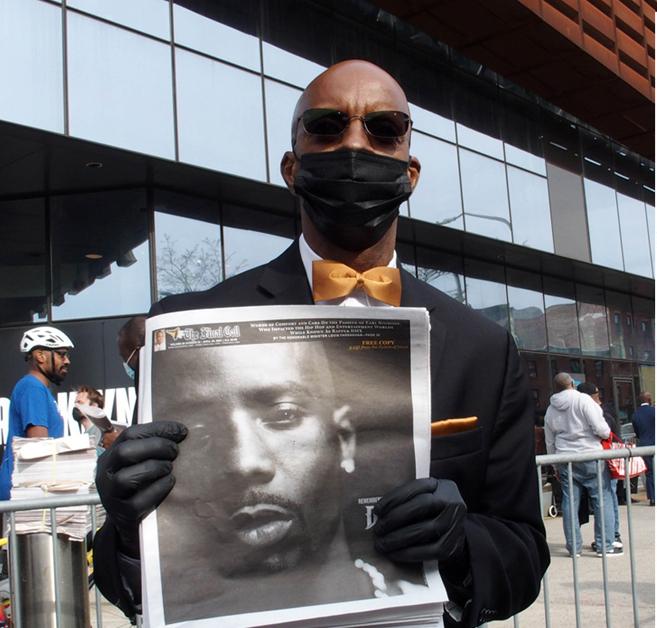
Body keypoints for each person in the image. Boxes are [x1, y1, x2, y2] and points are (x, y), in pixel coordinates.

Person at [92, 60, 549, 626]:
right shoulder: (190, 332)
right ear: (291, 166)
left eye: (383, 130)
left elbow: (524, 553)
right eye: (327, 126)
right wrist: (128, 528)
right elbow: (132, 586)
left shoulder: (482, 346)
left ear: (410, 171)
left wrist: (460, 546)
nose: (354, 144)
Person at [150, 340, 426, 621]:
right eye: (198, 431)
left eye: (284, 415)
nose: (244, 462)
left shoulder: (422, 609)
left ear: (343, 440)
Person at [544, 373, 618, 557]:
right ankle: (604, 545)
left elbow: (549, 441)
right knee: (602, 500)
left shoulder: (551, 409)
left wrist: (554, 463)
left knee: (570, 502)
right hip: (590, 454)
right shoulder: (584, 401)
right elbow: (601, 429)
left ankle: (574, 547)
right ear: (572, 383)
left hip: (564, 458)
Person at [1, 326, 74, 500]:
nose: (67, 361)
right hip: (24, 491)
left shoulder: (38, 388)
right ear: (40, 356)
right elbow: (39, 445)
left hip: (28, 488)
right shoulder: (32, 387)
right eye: (61, 354)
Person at [577, 381, 622, 551]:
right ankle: (611, 536)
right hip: (603, 461)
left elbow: (606, 432)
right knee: (608, 499)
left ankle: (612, 536)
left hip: (605, 461)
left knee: (607, 499)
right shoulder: (599, 411)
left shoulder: (599, 413)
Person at [72, 385, 117, 454]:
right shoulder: (87, 434)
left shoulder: (102, 431)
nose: (76, 406)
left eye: (80, 402)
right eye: (75, 403)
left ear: (94, 406)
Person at [632, 391, 655, 505]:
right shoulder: (654, 411)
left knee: (649, 472)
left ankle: (652, 498)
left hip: (644, 445)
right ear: (649, 399)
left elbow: (637, 432)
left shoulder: (635, 414)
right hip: (654, 444)